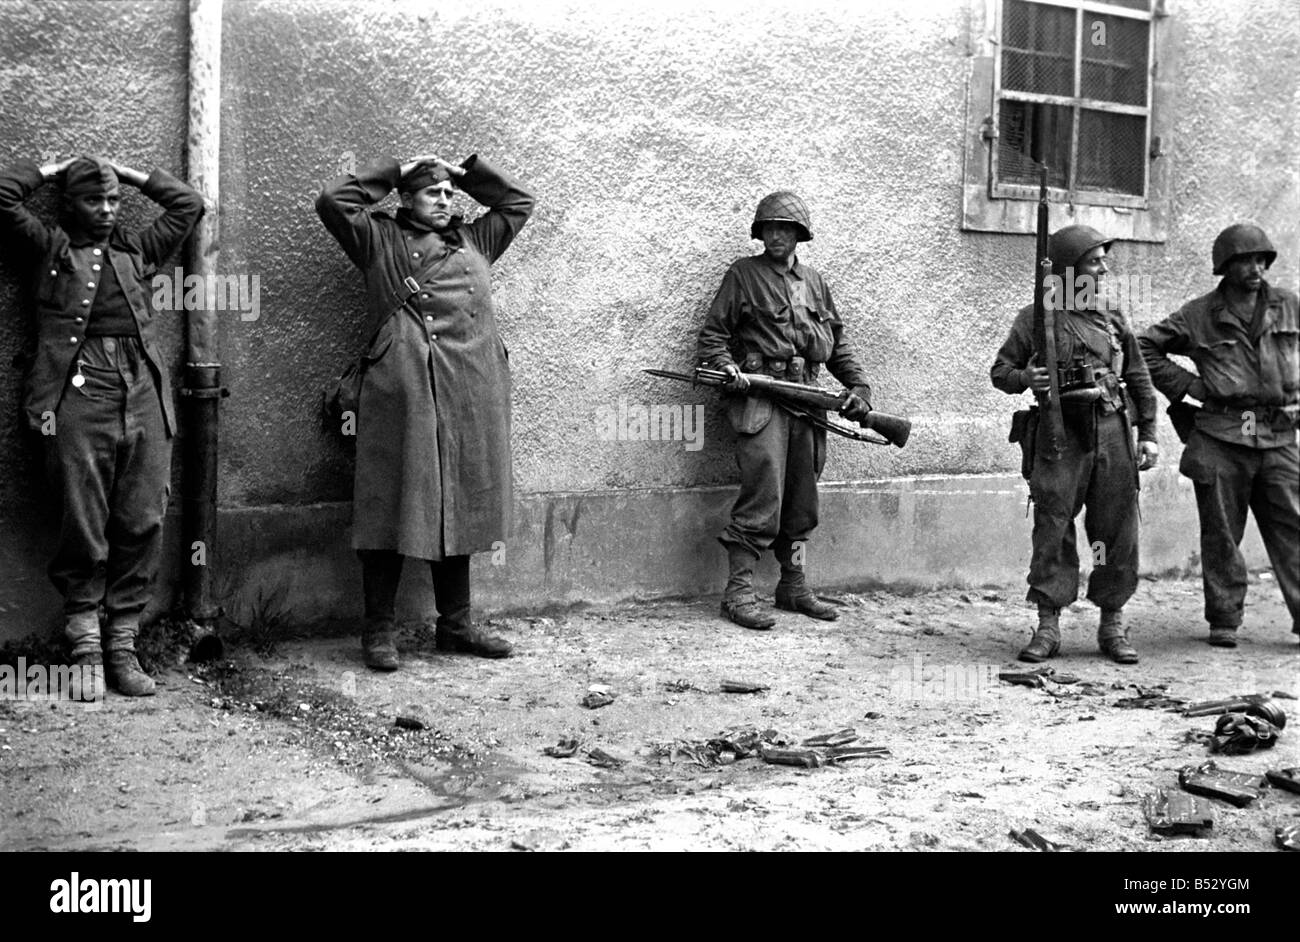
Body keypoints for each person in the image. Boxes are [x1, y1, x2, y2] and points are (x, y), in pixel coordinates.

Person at [316, 152, 533, 670]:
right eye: (431, 192)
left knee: (460, 501)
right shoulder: (380, 239)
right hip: (405, 386)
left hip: (470, 390)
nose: (444, 200)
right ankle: (378, 632)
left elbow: (518, 202)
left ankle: (455, 626)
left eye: (448, 194)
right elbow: (332, 201)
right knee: (390, 502)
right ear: (406, 199)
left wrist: (467, 174)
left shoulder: (476, 240)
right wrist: (393, 170)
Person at [0, 155, 204, 695]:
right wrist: (51, 169)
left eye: (115, 200)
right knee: (82, 516)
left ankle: (123, 646)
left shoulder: (137, 251)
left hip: (142, 387)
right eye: (96, 199)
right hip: (76, 388)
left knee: (143, 515)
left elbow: (189, 204)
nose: (109, 210)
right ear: (71, 204)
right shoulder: (50, 249)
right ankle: (86, 645)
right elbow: (2, 196)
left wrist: (129, 173)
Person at [696, 191, 873, 631]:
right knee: (763, 496)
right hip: (761, 401)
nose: (777, 235)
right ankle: (738, 592)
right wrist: (727, 368)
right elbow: (713, 336)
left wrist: (859, 386)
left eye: (786, 228)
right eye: (770, 228)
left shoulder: (814, 282)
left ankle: (792, 585)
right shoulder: (743, 275)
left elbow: (837, 341)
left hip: (807, 402)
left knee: (801, 500)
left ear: (799, 235)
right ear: (760, 233)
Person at [991, 225, 1159, 664]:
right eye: (1094, 261)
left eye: (1104, 260)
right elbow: (1000, 372)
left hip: (1111, 431)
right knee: (1054, 526)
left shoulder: (1113, 318)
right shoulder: (1035, 318)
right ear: (1069, 269)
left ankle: (1111, 623)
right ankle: (1048, 624)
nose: (1104, 268)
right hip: (1059, 436)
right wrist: (1027, 378)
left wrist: (1150, 435)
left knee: (1114, 530)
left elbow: (1139, 379)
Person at [1139, 223, 1299, 649]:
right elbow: (1144, 347)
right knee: (1223, 532)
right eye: (1245, 261)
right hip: (1223, 434)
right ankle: (1224, 619)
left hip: (1278, 435)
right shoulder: (1199, 314)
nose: (1256, 269)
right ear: (1225, 267)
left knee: (1294, 527)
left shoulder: (1288, 306)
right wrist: (1187, 386)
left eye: (1261, 260)